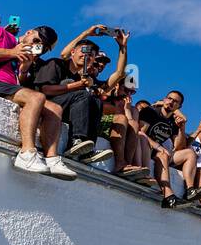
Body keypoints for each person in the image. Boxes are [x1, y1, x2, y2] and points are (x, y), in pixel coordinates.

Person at [0, 23, 75, 177]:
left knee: (55, 108)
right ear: (29, 32)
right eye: (36, 40)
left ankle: (52, 159)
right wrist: (11, 52)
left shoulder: (27, 56)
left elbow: (20, 80)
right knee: (37, 97)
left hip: (7, 88)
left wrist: (24, 68)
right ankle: (26, 154)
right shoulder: (0, 33)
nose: (36, 46)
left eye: (42, 48)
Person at [31, 25, 128, 163]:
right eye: (84, 51)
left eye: (91, 55)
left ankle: (86, 149)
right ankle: (77, 140)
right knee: (83, 95)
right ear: (73, 52)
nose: (86, 56)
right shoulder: (56, 64)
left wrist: (122, 47)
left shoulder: (87, 79)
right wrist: (87, 33)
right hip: (47, 107)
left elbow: (119, 74)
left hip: (66, 113)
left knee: (96, 101)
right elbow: (45, 90)